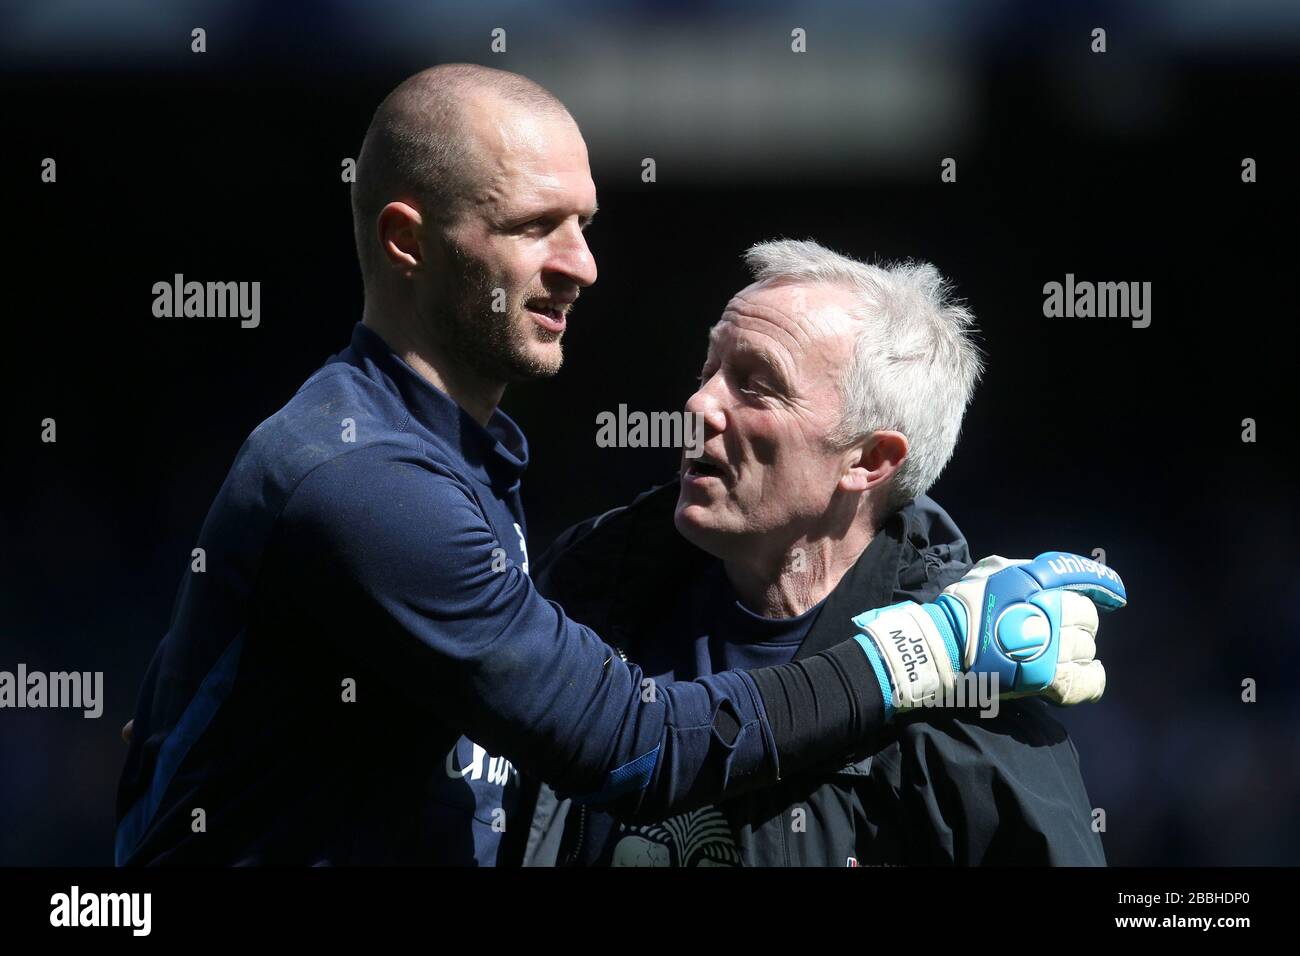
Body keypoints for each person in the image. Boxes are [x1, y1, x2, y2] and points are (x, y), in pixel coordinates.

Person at [115, 66, 1123, 866]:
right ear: (406, 241)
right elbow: (633, 743)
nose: (582, 263)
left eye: (584, 222)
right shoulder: (361, 483)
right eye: (533, 226)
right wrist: (927, 651)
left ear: (872, 460)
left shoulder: (472, 478)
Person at [523, 241, 1115, 866]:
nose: (697, 406)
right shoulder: (592, 589)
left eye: (756, 385)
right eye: (709, 370)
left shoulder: (974, 705)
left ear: (869, 461)